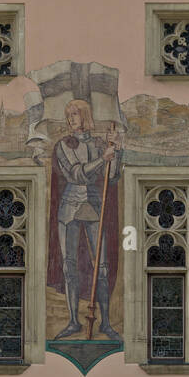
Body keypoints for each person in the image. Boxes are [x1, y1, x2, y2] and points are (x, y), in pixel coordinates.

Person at [48, 99, 122, 341]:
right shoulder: (63, 145)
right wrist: (103, 158)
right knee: (70, 267)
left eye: (75, 114)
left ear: (85, 116)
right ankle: (73, 321)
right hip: (70, 207)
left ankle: (106, 323)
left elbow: (111, 177)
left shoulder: (100, 143)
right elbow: (76, 173)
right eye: (68, 115)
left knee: (101, 268)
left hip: (93, 205)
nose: (70, 119)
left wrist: (115, 151)